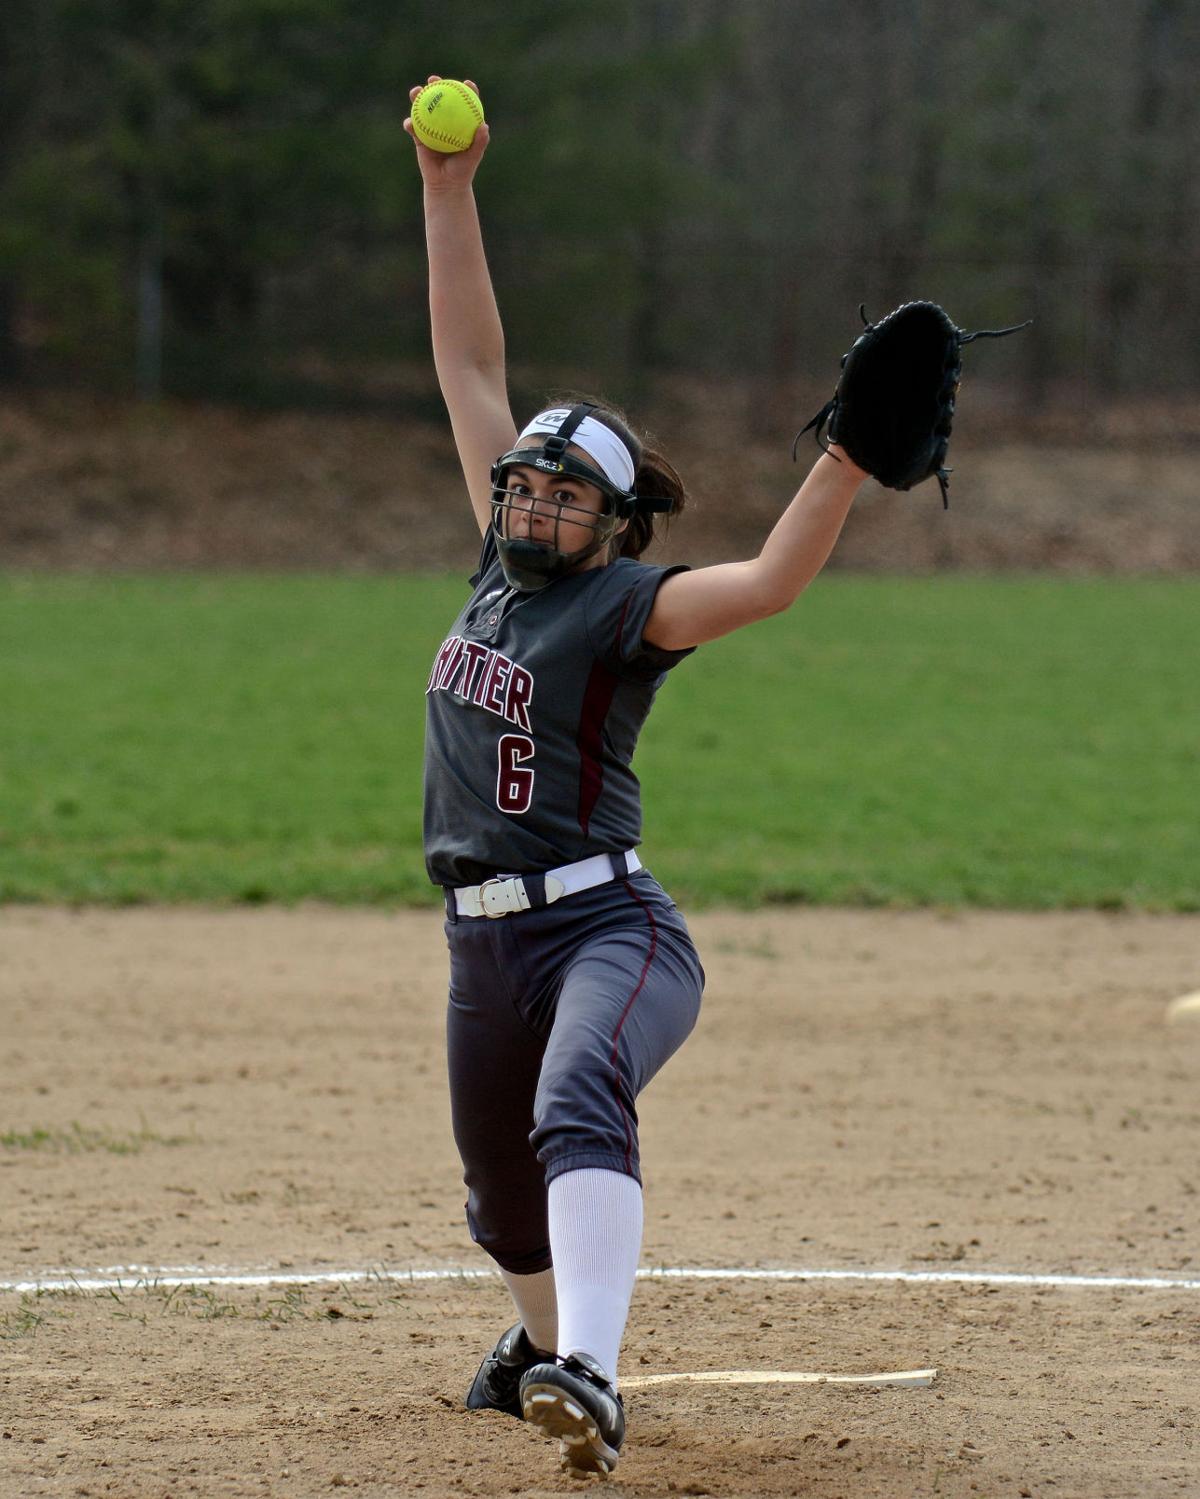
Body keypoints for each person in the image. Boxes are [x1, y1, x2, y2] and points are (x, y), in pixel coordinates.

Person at [405, 76, 868, 1478]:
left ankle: (594, 1374)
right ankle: (543, 1352)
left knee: (574, 1111)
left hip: (608, 925)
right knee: (501, 1205)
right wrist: (447, 188)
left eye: (563, 495)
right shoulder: (499, 564)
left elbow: (774, 583)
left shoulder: (629, 608)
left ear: (615, 523)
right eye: (522, 485)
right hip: (479, 940)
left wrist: (847, 458)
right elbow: (471, 368)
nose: (533, 502)